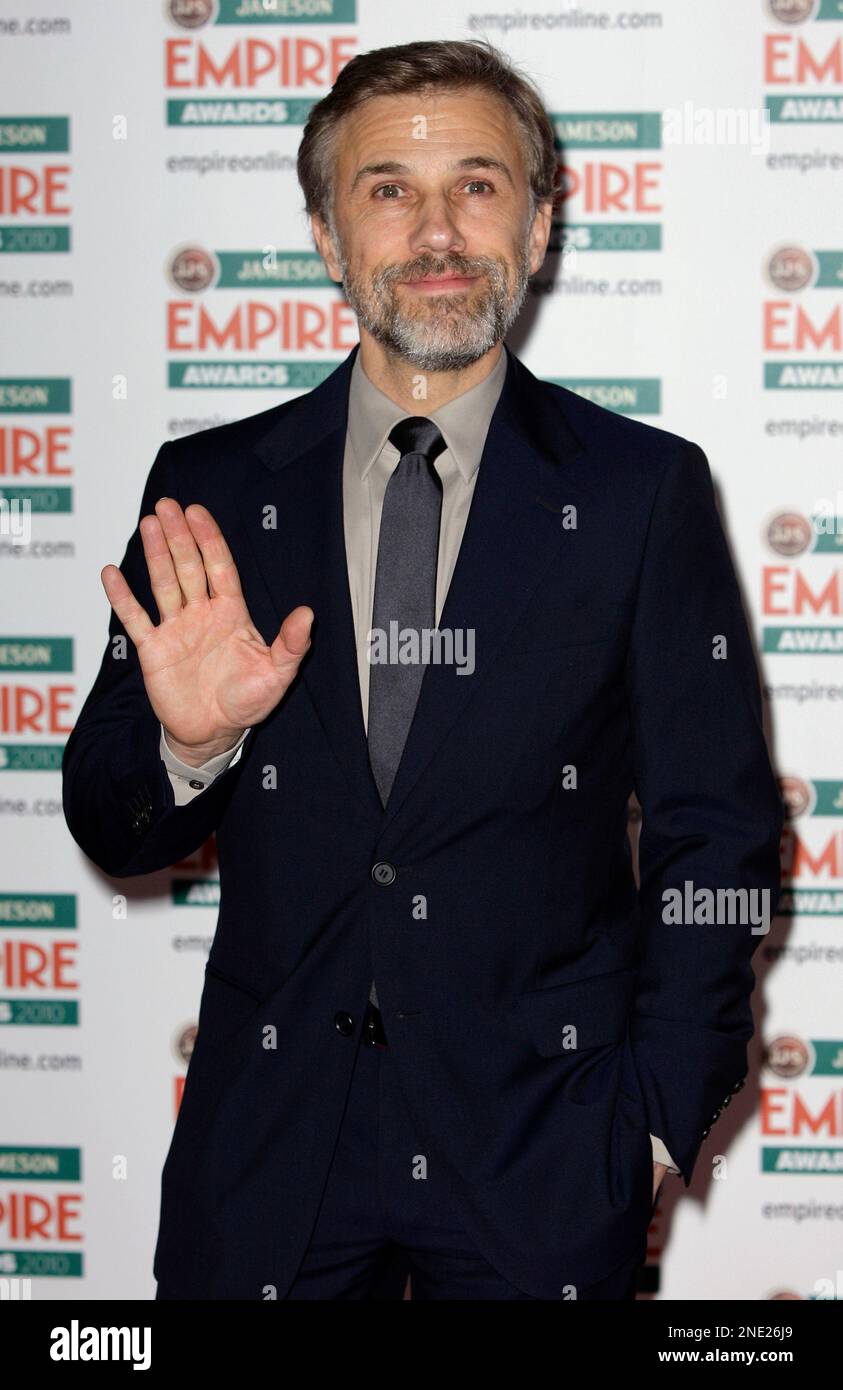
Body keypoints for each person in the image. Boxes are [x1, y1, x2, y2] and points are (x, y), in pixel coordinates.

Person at [62, 38, 783, 1300]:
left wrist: (661, 1119)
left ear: (541, 225)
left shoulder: (637, 493)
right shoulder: (214, 490)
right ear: (330, 237)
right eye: (390, 188)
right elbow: (111, 825)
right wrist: (188, 747)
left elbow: (714, 836)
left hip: (543, 1154)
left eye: (480, 185)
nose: (437, 229)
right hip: (267, 1157)